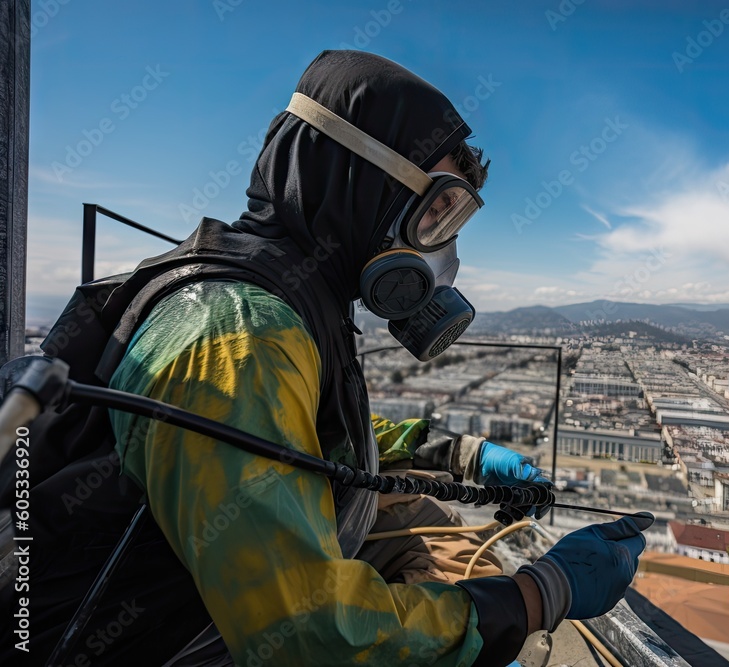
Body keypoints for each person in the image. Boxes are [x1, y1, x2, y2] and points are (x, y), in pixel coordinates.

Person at [0, 50, 649, 666]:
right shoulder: (242, 331)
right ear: (357, 185)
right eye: (436, 216)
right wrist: (538, 595)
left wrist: (458, 455)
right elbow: (310, 640)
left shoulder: (290, 299)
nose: (445, 254)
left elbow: (299, 443)